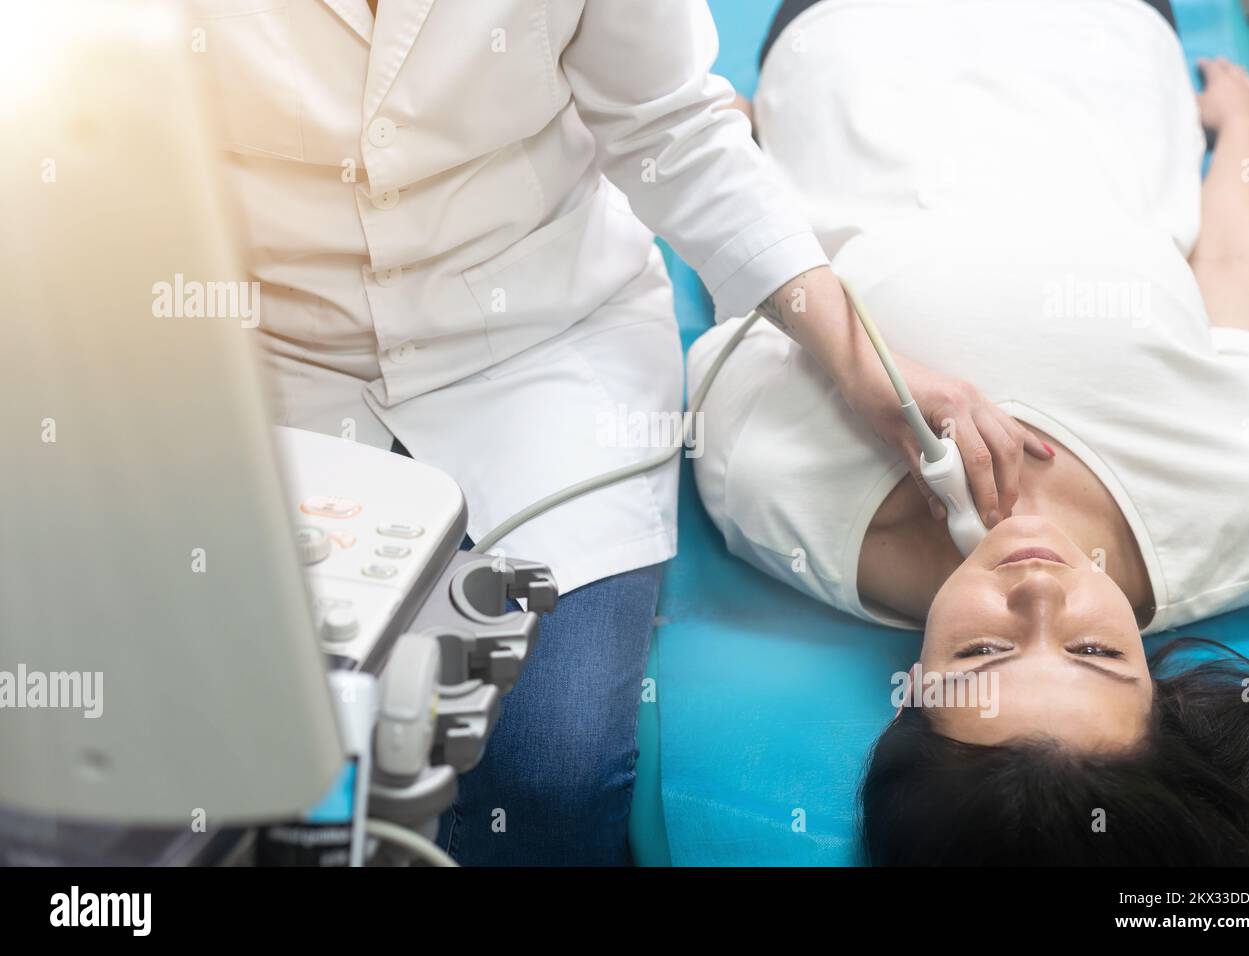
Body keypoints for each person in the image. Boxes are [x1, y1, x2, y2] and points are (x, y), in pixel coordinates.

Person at [187, 0, 1034, 864]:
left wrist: (859, 362)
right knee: (237, 738)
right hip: (258, 347)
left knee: (547, 771)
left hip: (541, 341)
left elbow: (671, 127)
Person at [685, 0, 1249, 861]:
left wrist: (732, 147)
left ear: (911, 698)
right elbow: (1235, 272)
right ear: (1161, 697)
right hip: (1102, 46)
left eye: (981, 651)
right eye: (1095, 650)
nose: (1039, 592)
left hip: (858, 48)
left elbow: (745, 290)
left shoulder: (779, 503)